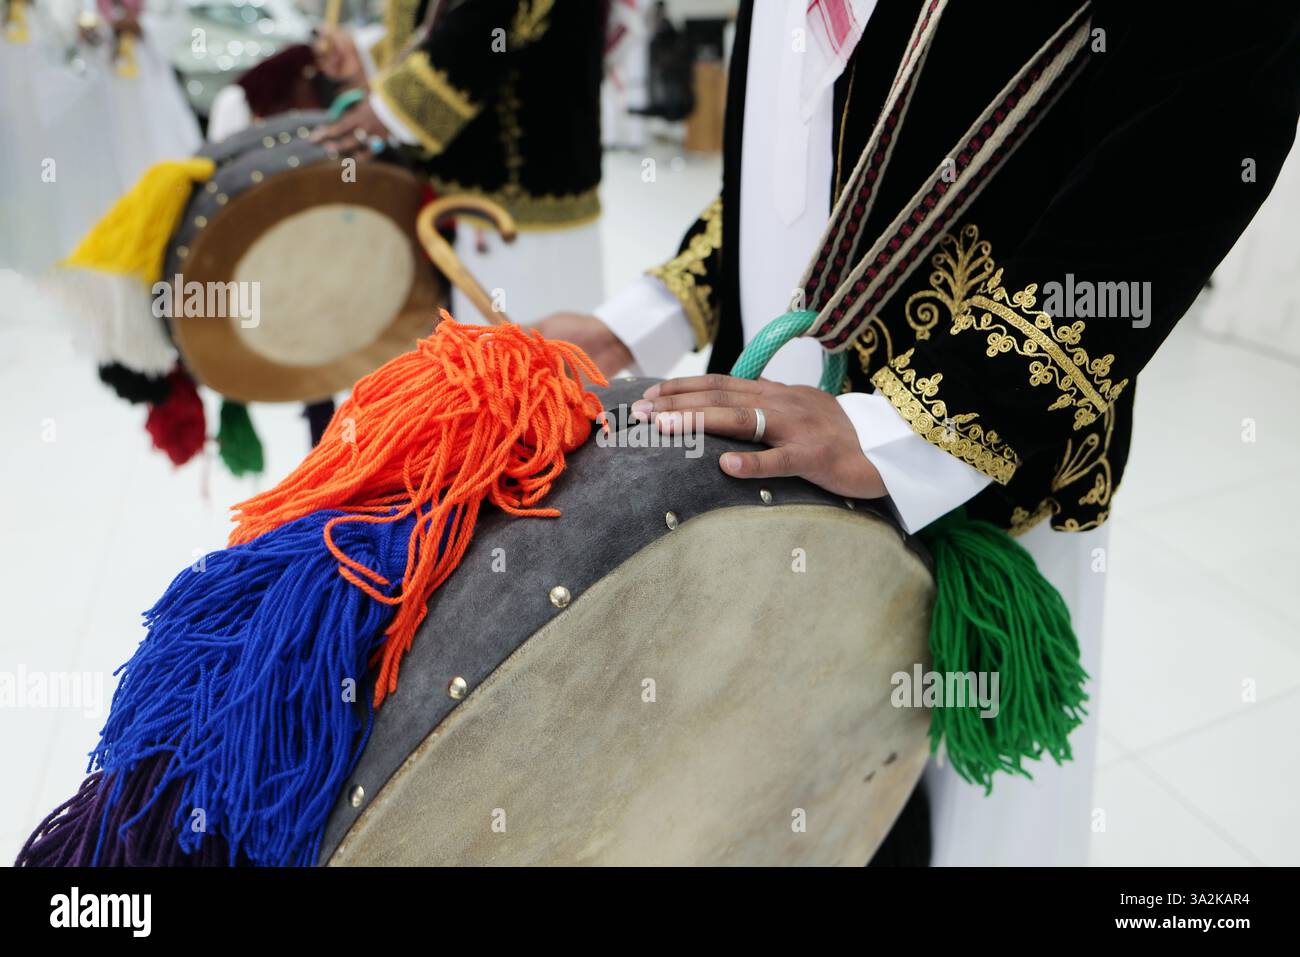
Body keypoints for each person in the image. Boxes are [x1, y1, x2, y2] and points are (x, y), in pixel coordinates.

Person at [535, 0, 1300, 864]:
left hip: (973, 492)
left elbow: (1211, 98)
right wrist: (656, 309)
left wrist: (925, 426)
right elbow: (799, 136)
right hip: (749, 444)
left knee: (974, 826)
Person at [312, 0, 608, 321]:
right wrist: (364, 57)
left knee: (526, 352)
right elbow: (435, 21)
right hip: (453, 191)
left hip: (520, 199)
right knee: (466, 349)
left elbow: (491, 23)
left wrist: (389, 110)